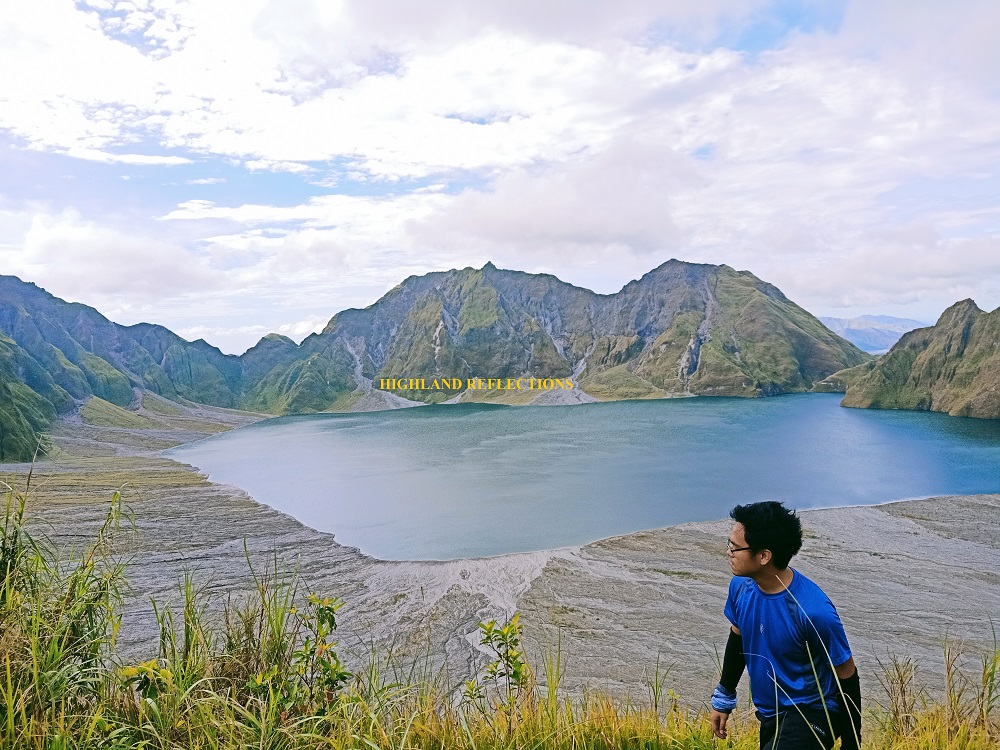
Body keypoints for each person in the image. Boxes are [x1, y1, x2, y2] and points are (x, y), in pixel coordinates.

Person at [709, 501, 861, 750]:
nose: (728, 552)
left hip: (813, 713)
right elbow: (738, 640)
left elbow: (846, 675)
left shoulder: (813, 611)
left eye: (735, 548)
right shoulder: (740, 588)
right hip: (771, 714)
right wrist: (723, 697)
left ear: (764, 556)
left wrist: (852, 743)